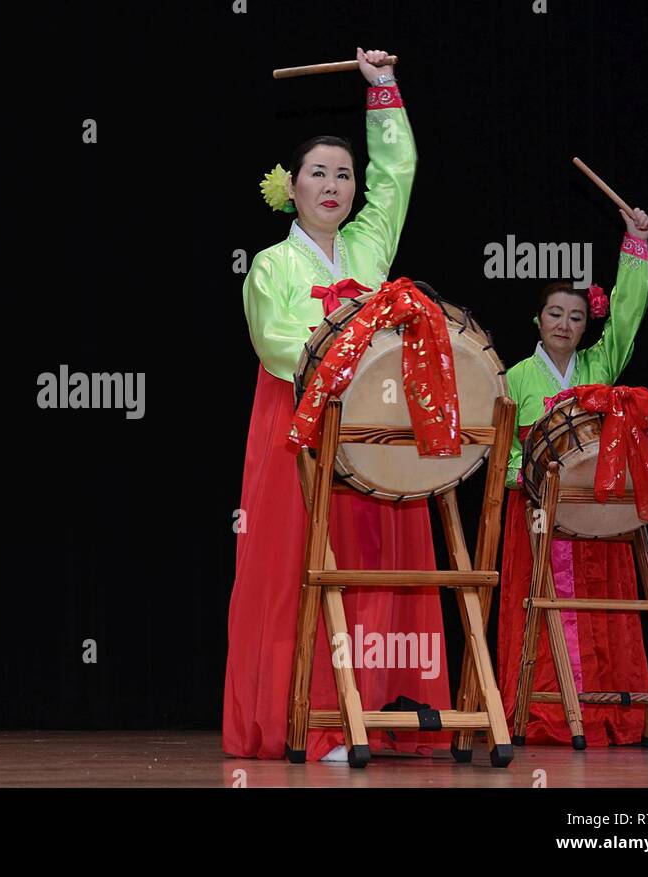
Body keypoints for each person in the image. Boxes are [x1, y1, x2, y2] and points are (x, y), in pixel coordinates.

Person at [223, 49, 451, 762]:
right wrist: (349, 350)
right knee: (298, 568)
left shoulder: (367, 246)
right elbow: (277, 345)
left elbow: (399, 176)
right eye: (317, 173)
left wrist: (382, 90)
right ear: (289, 188)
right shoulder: (273, 265)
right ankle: (310, 718)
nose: (334, 184)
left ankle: (380, 710)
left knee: (375, 563)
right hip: (296, 427)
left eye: (344, 174)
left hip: (373, 431)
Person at [497, 207, 648, 746]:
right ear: (537, 319)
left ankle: (601, 714)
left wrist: (634, 246)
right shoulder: (515, 377)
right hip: (537, 518)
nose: (564, 324)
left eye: (574, 316)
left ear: (585, 323)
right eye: (554, 313)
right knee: (536, 618)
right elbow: (500, 457)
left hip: (597, 519)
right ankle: (537, 711)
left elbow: (627, 316)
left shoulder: (600, 367)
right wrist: (529, 478)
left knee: (599, 617)